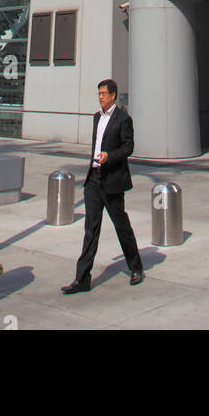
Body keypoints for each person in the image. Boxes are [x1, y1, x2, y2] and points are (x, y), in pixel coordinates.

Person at [62, 80, 143, 294]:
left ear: (113, 95)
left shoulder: (123, 119)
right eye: (99, 93)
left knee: (121, 226)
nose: (100, 97)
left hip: (112, 180)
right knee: (91, 229)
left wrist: (110, 156)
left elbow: (128, 146)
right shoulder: (97, 117)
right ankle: (82, 279)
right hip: (94, 179)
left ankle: (136, 267)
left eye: (104, 93)